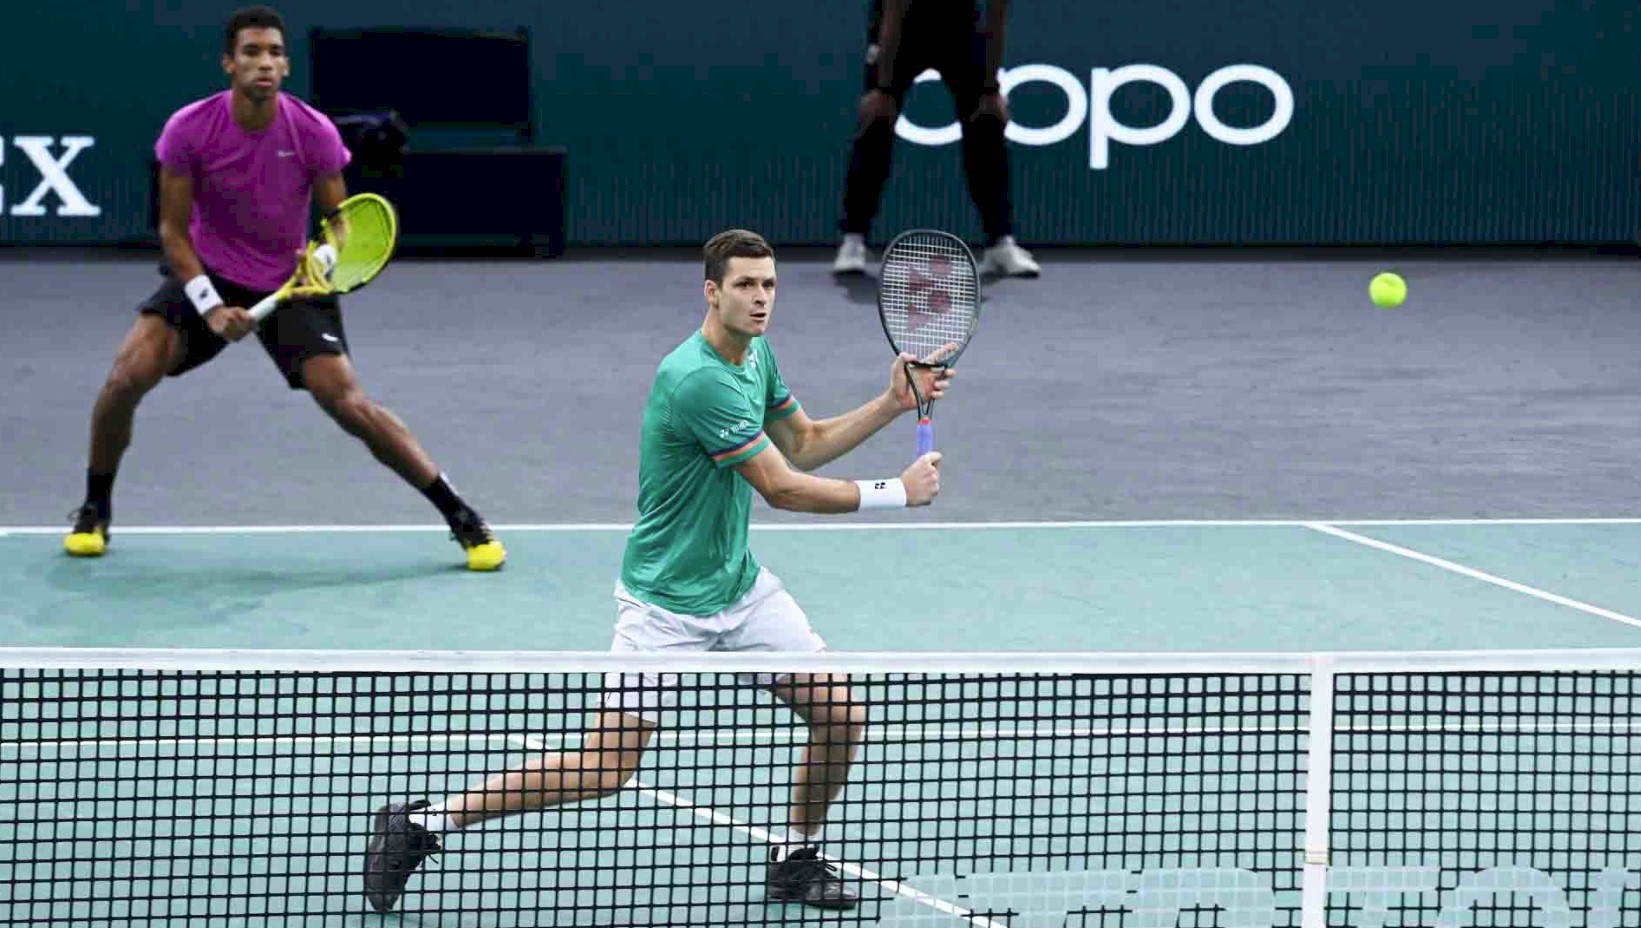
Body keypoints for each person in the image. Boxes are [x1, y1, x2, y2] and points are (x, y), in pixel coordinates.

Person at [363, 229, 953, 914]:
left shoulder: (756, 355)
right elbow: (781, 487)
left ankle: (795, 856)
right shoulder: (699, 379)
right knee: (604, 768)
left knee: (840, 715)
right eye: (744, 285)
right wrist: (894, 492)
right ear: (712, 292)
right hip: (665, 606)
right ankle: (423, 823)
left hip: (738, 589)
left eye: (768, 284)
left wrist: (889, 403)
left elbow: (804, 443)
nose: (760, 298)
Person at [61, 5, 505, 572]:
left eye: (274, 52)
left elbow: (340, 223)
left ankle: (460, 514)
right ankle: (95, 507)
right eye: (251, 52)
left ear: (286, 65)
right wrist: (210, 306)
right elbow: (172, 230)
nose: (264, 63)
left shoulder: (311, 131)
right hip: (209, 272)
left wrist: (322, 258)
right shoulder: (189, 129)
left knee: (348, 403)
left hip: (291, 279)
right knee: (125, 377)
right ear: (229, 63)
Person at [832, 0, 1040, 279]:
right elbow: (895, 13)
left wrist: (991, 89)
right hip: (902, 29)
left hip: (962, 31)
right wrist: (883, 90)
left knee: (986, 121)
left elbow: (996, 17)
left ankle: (1000, 243)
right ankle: (853, 240)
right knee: (876, 122)